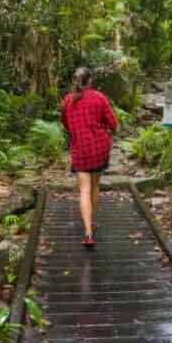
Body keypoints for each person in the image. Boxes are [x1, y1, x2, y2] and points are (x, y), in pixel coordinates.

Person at [60, 67, 118, 248]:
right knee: (94, 185)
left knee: (84, 188)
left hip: (80, 149)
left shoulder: (67, 101)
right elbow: (113, 124)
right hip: (99, 147)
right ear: (90, 80)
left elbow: (66, 125)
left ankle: (88, 233)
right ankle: (92, 221)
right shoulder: (99, 97)